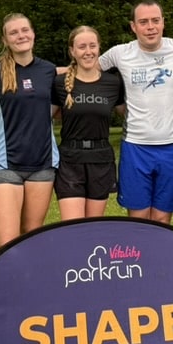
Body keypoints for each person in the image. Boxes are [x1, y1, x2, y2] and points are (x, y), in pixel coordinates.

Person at [98, 0, 173, 224]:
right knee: (139, 217)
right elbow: (85, 69)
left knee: (163, 217)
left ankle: (159, 260)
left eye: (155, 20)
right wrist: (48, 72)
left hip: (171, 146)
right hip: (135, 146)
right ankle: (140, 259)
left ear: (163, 23)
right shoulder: (119, 53)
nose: (150, 27)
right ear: (133, 26)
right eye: (143, 22)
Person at [0, 14, 59, 245]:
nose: (21, 36)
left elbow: (82, 73)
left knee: (31, 235)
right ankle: (3, 282)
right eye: (14, 32)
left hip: (43, 164)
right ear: (5, 40)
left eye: (25, 30)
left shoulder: (48, 70)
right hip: (6, 163)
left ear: (33, 33)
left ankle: (27, 282)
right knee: (7, 241)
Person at [51, 26, 125, 220]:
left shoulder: (113, 82)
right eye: (82, 46)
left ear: (99, 48)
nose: (88, 51)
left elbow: (131, 114)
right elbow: (43, 116)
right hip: (70, 160)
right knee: (73, 227)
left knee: (93, 228)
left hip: (100, 159)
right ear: (72, 51)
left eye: (92, 45)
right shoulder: (59, 83)